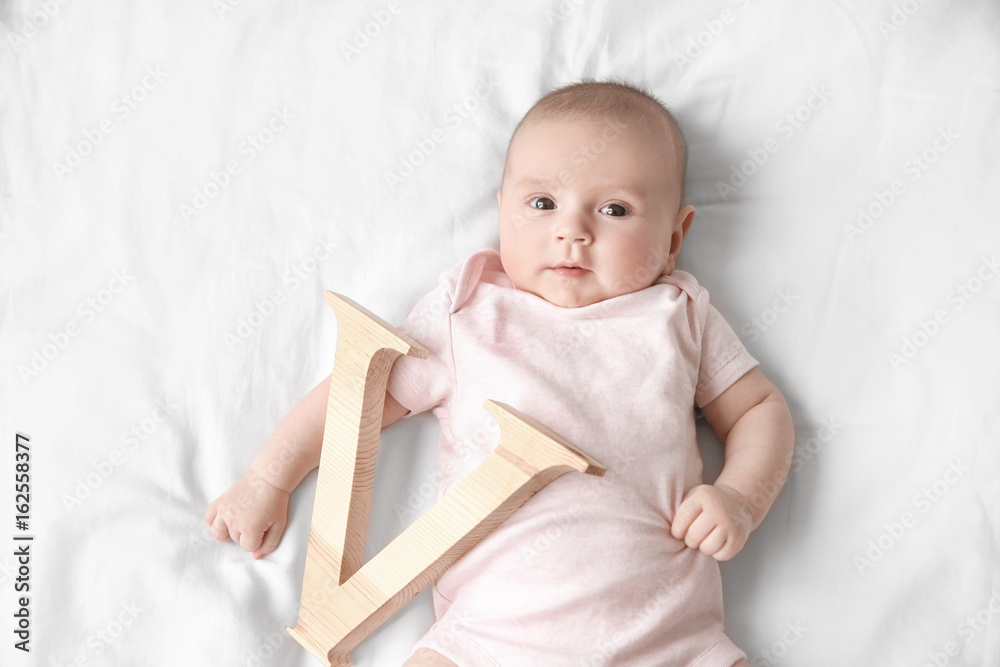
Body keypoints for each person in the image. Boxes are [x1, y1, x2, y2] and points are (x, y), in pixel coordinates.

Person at [206, 80, 795, 667]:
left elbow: (757, 409)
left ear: (674, 237)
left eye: (615, 209)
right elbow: (356, 399)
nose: (572, 231)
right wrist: (268, 478)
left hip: (667, 637)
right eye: (542, 204)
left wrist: (739, 497)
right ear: (501, 211)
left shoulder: (677, 315)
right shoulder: (471, 314)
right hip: (487, 640)